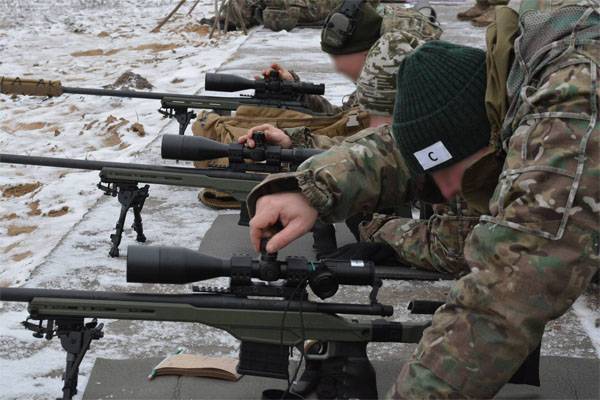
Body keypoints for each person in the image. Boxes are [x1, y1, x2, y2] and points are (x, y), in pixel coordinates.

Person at [246, 0, 600, 397]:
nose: (447, 194)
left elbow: (513, 283)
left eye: (446, 178)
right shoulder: (520, 62)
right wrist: (313, 188)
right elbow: (423, 138)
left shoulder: (574, 95)